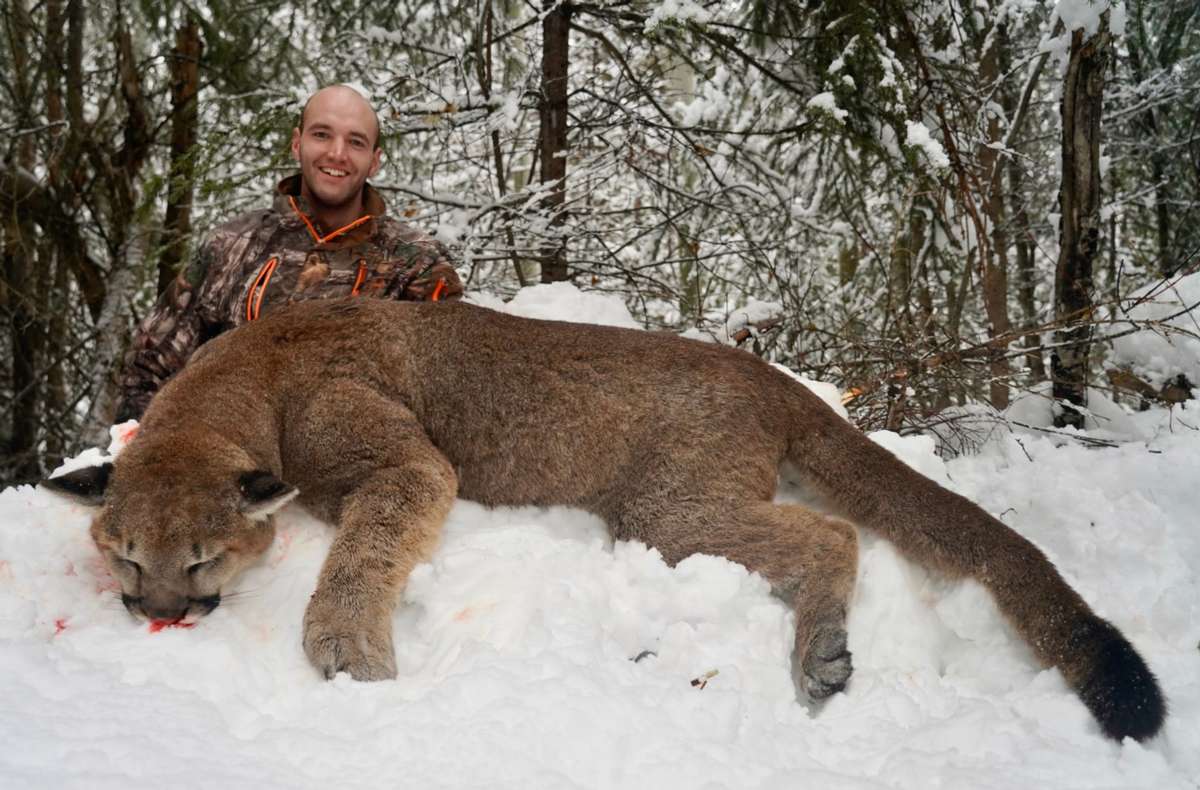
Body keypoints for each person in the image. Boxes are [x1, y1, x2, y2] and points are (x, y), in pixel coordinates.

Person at [115, 84, 463, 421]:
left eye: (355, 142)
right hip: (227, 448)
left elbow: (447, 399)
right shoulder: (232, 244)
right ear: (297, 144)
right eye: (322, 135)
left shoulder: (417, 265)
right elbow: (146, 372)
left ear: (374, 161)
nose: (337, 153)